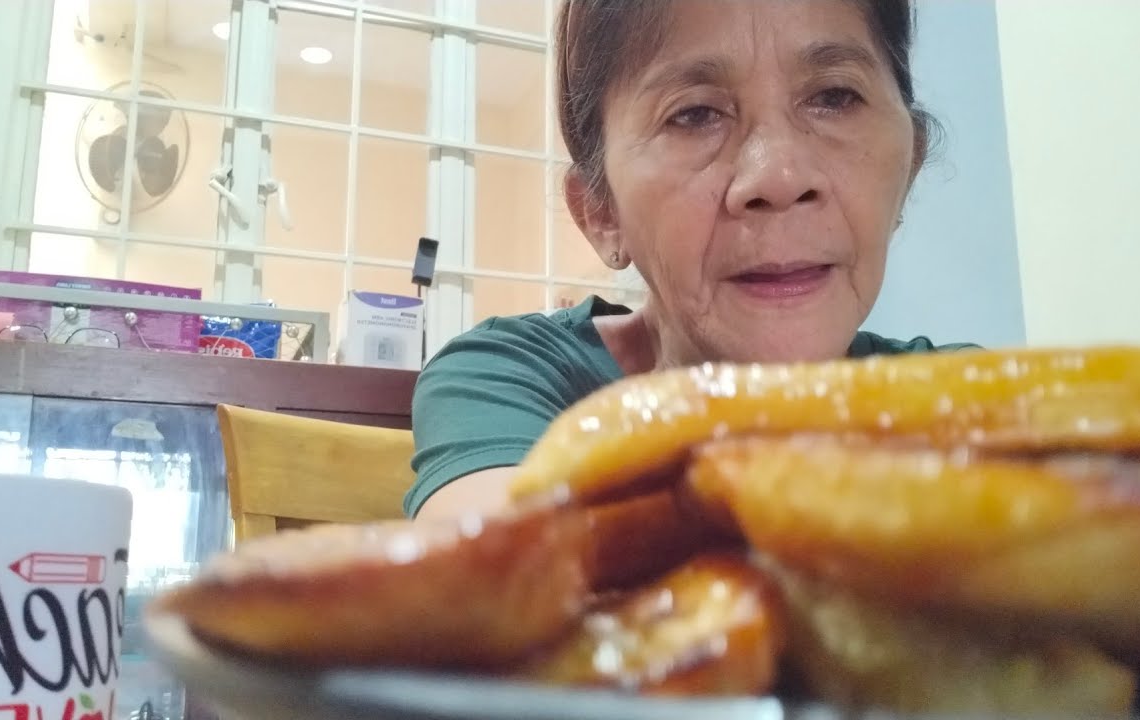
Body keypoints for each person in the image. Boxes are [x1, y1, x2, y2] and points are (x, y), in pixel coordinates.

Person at [407, 0, 978, 521]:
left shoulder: (965, 401)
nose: (778, 178)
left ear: (909, 171)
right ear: (602, 212)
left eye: (834, 96)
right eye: (695, 113)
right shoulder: (513, 381)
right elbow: (507, 587)